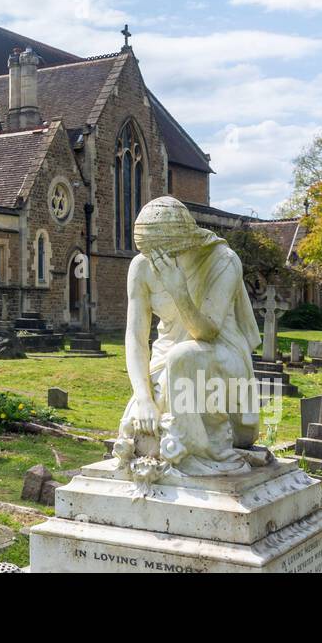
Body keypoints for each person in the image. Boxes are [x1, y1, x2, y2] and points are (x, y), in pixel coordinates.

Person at [113, 196, 270, 484]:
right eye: (147, 250)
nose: (154, 257)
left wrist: (178, 290)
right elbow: (135, 338)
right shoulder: (142, 266)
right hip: (167, 362)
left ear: (182, 240)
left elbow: (206, 332)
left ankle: (195, 453)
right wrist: (144, 397)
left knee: (182, 357)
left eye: (160, 250)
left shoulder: (223, 260)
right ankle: (176, 442)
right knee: (141, 430)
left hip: (222, 357)